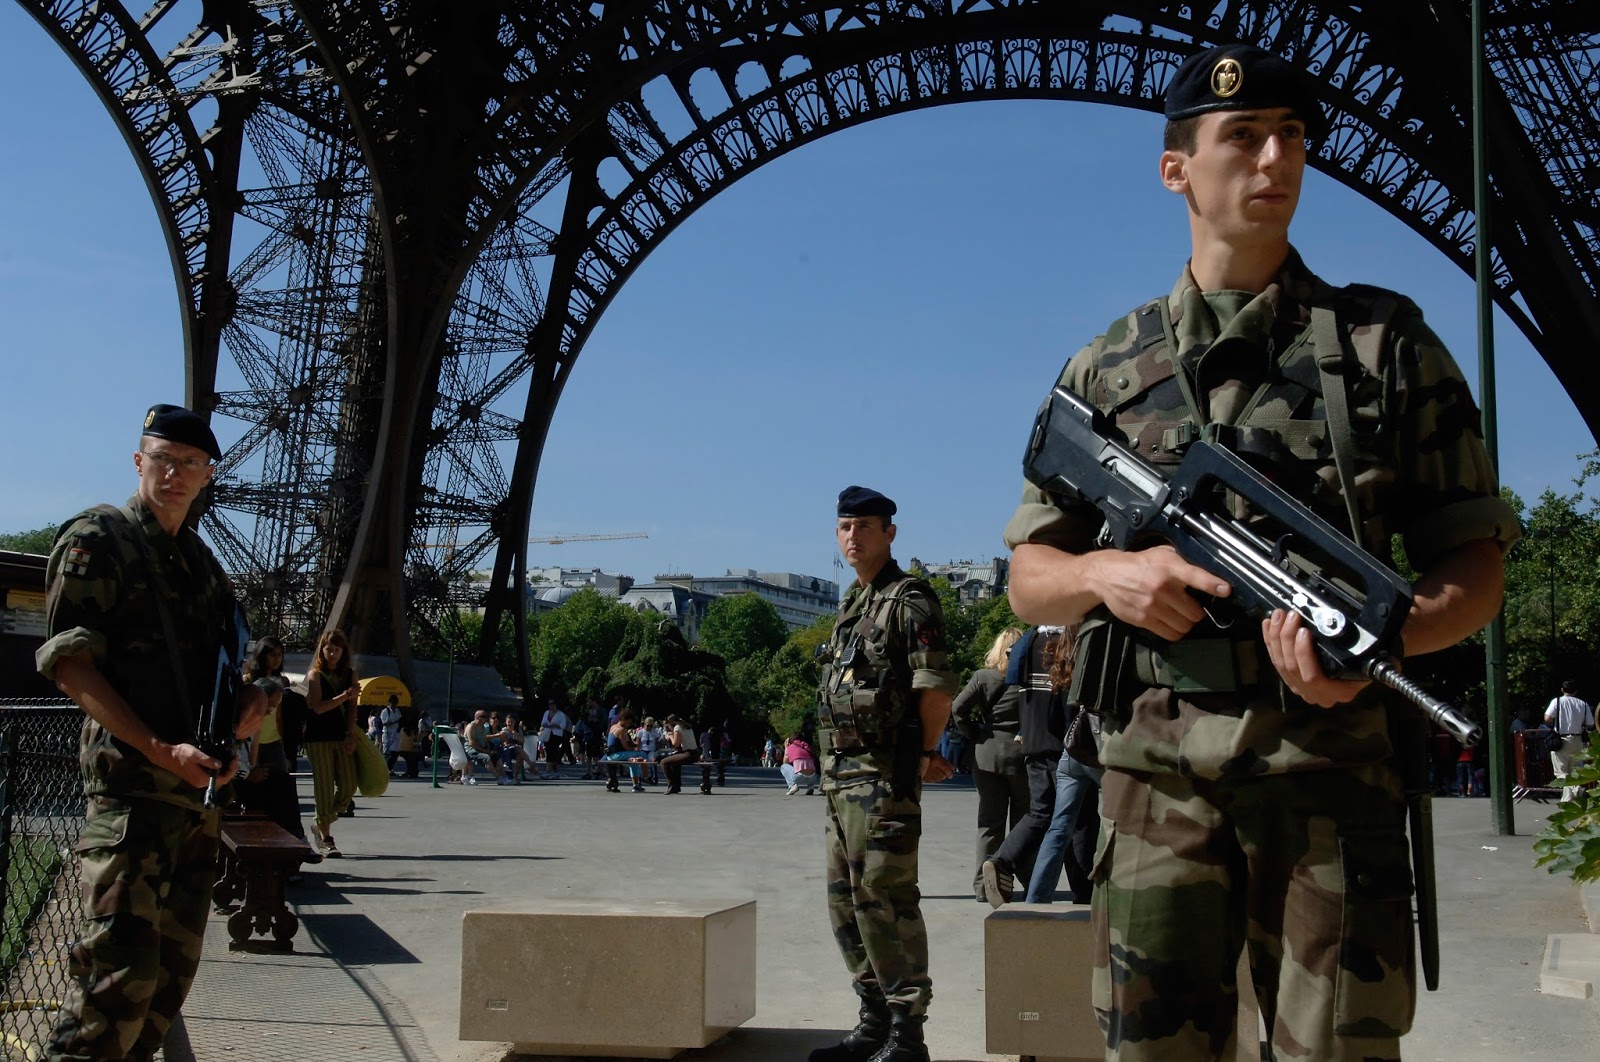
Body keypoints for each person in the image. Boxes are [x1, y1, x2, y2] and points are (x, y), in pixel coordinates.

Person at [1003, 44, 1519, 1061]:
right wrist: (1112, 575)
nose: (1274, 158)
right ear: (1176, 168)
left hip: (1329, 776)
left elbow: (1475, 566)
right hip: (1151, 777)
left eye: (1291, 135)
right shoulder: (1106, 366)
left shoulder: (1386, 348)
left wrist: (1388, 642)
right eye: (1241, 136)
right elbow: (1029, 578)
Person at [35, 402, 266, 1059]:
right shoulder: (99, 539)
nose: (176, 475)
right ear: (140, 462)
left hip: (194, 808)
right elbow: (70, 665)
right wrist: (158, 748)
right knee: (114, 991)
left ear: (208, 475)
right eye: (164, 460)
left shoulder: (203, 566)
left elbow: (229, 669)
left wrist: (251, 703)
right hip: (133, 797)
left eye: (191, 464)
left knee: (163, 994)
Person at [811, 486, 958, 1062]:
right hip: (841, 779)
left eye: (865, 526)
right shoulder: (855, 602)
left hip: (882, 779)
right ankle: (872, 1022)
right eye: (846, 527)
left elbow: (934, 689)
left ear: (890, 533)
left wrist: (921, 757)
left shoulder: (909, 600)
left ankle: (907, 1033)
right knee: (845, 902)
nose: (854, 537)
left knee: (886, 898)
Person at [978, 626, 1067, 907]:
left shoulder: (1021, 651)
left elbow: (958, 708)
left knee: (997, 823)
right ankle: (1041, 887)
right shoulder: (1062, 644)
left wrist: (974, 736)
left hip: (1010, 749)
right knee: (1073, 820)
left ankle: (994, 872)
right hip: (1051, 745)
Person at [1024, 630, 1105, 905]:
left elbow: (1052, 721)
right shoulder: (1097, 659)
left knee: (1058, 829)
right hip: (1098, 752)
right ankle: (1104, 893)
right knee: (1119, 818)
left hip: (1070, 754)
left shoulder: (1060, 667)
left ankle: (1036, 897)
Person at [951, 627, 1028, 903]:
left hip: (986, 756)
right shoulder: (1028, 680)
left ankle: (984, 887)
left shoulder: (982, 678)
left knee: (989, 824)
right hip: (1022, 755)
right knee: (1024, 822)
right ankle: (1029, 881)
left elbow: (958, 709)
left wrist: (975, 734)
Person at [304, 628, 361, 857]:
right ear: (322, 649)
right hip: (318, 738)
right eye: (329, 649)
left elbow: (353, 708)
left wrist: (350, 734)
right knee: (324, 788)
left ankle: (321, 822)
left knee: (349, 785)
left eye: (337, 649)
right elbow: (318, 707)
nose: (333, 654)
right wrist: (346, 695)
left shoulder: (350, 674)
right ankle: (326, 838)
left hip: (340, 736)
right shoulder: (315, 675)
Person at [1544, 679, 1596, 802]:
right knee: (1573, 771)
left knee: (1560, 772)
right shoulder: (1583, 704)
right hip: (1578, 740)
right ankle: (1566, 801)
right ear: (1576, 691)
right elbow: (1590, 723)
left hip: (1562, 739)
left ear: (1562, 690)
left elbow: (1547, 718)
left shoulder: (1557, 701)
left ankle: (1576, 788)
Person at [658, 713, 701, 795]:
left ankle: (671, 784)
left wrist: (670, 736)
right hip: (695, 752)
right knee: (675, 762)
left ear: (671, 723)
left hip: (689, 753)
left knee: (663, 762)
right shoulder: (686, 726)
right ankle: (676, 786)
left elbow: (676, 744)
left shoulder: (677, 728)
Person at [538, 700, 570, 779]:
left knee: (552, 751)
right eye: (550, 704)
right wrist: (545, 725)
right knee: (549, 751)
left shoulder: (560, 714)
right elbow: (543, 723)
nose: (551, 706)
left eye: (553, 704)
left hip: (556, 735)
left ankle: (548, 770)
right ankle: (555, 771)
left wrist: (555, 725)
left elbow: (563, 725)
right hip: (547, 734)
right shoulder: (546, 713)